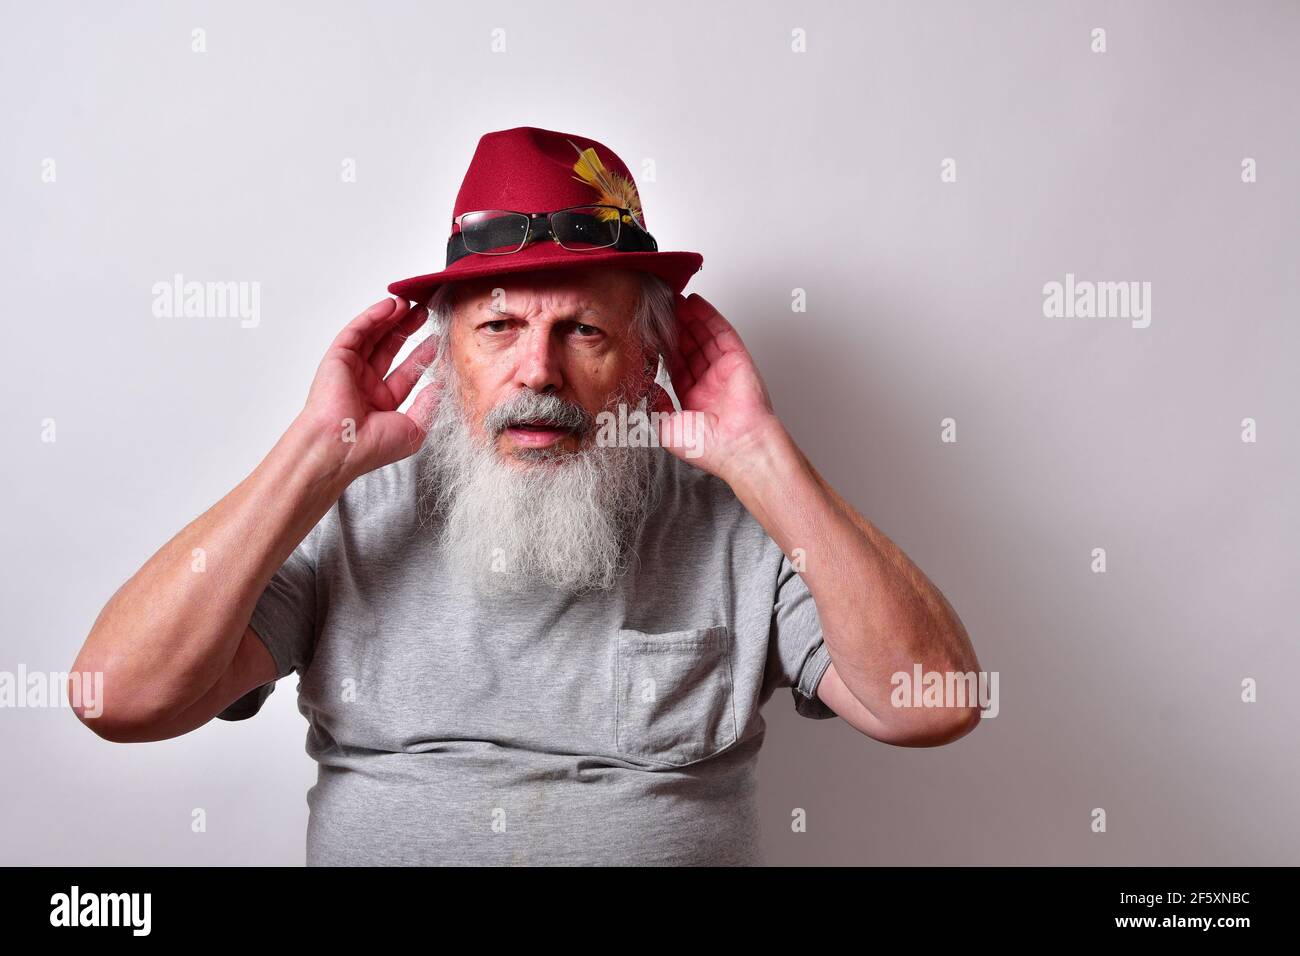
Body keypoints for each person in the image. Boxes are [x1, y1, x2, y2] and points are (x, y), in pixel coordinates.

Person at [70, 127, 982, 865]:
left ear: (648, 358)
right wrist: (313, 453)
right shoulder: (347, 510)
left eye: (583, 329)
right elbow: (118, 698)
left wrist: (764, 456)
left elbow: (932, 704)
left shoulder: (740, 517)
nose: (536, 370)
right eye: (498, 325)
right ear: (445, 353)